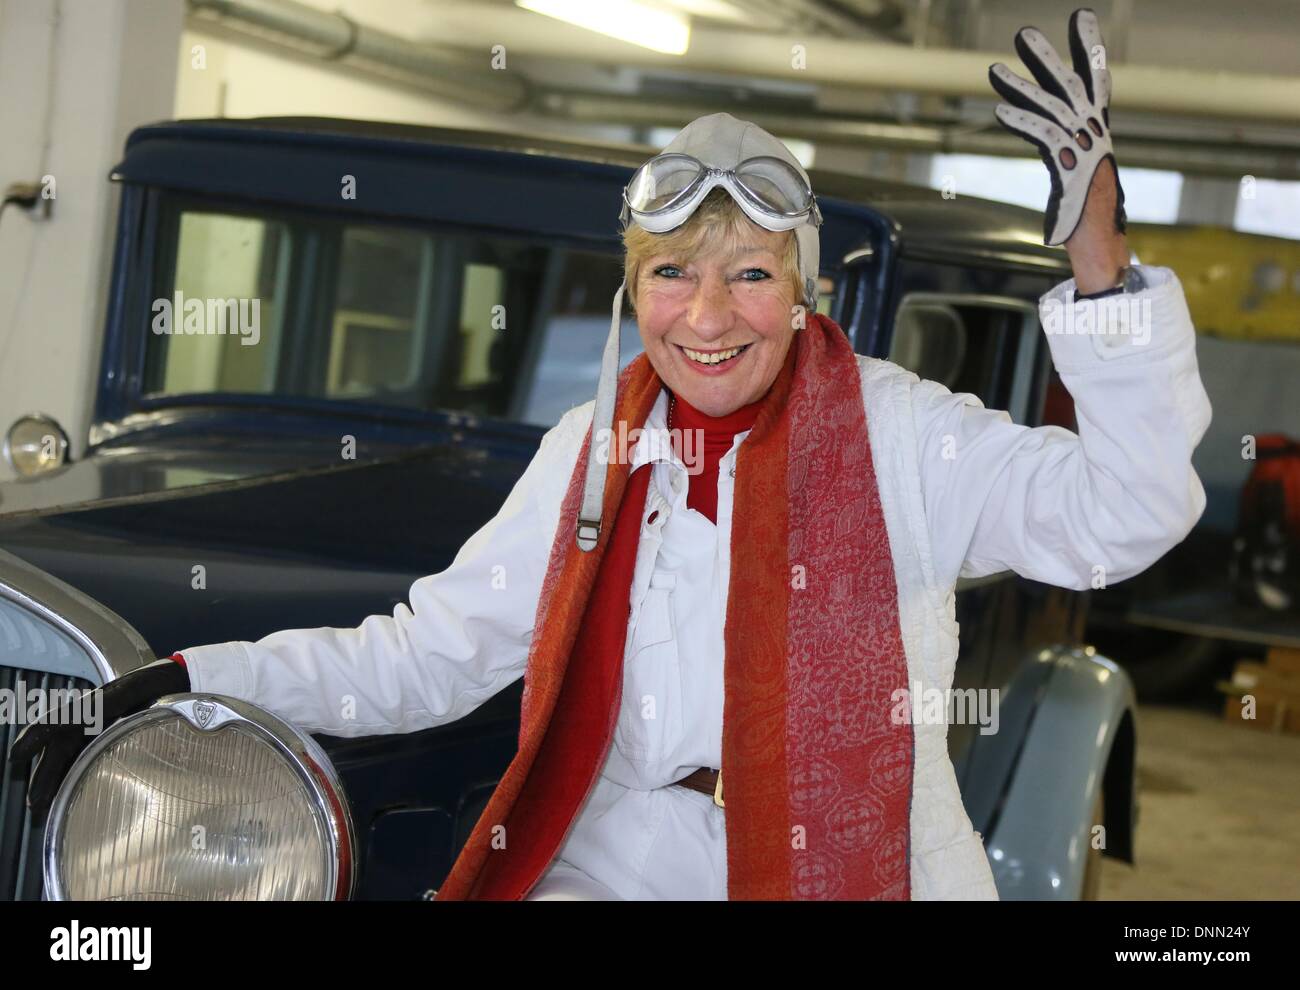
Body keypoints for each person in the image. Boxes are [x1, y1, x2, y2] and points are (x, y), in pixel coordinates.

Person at [10, 7, 1210, 901]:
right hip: (613, 861)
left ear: (801, 291)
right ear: (634, 290)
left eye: (750, 274)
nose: (708, 315)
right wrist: (191, 676)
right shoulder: (597, 447)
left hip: (856, 866)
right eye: (671, 274)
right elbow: (430, 658)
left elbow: (1125, 513)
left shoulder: (904, 434)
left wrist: (1100, 266)